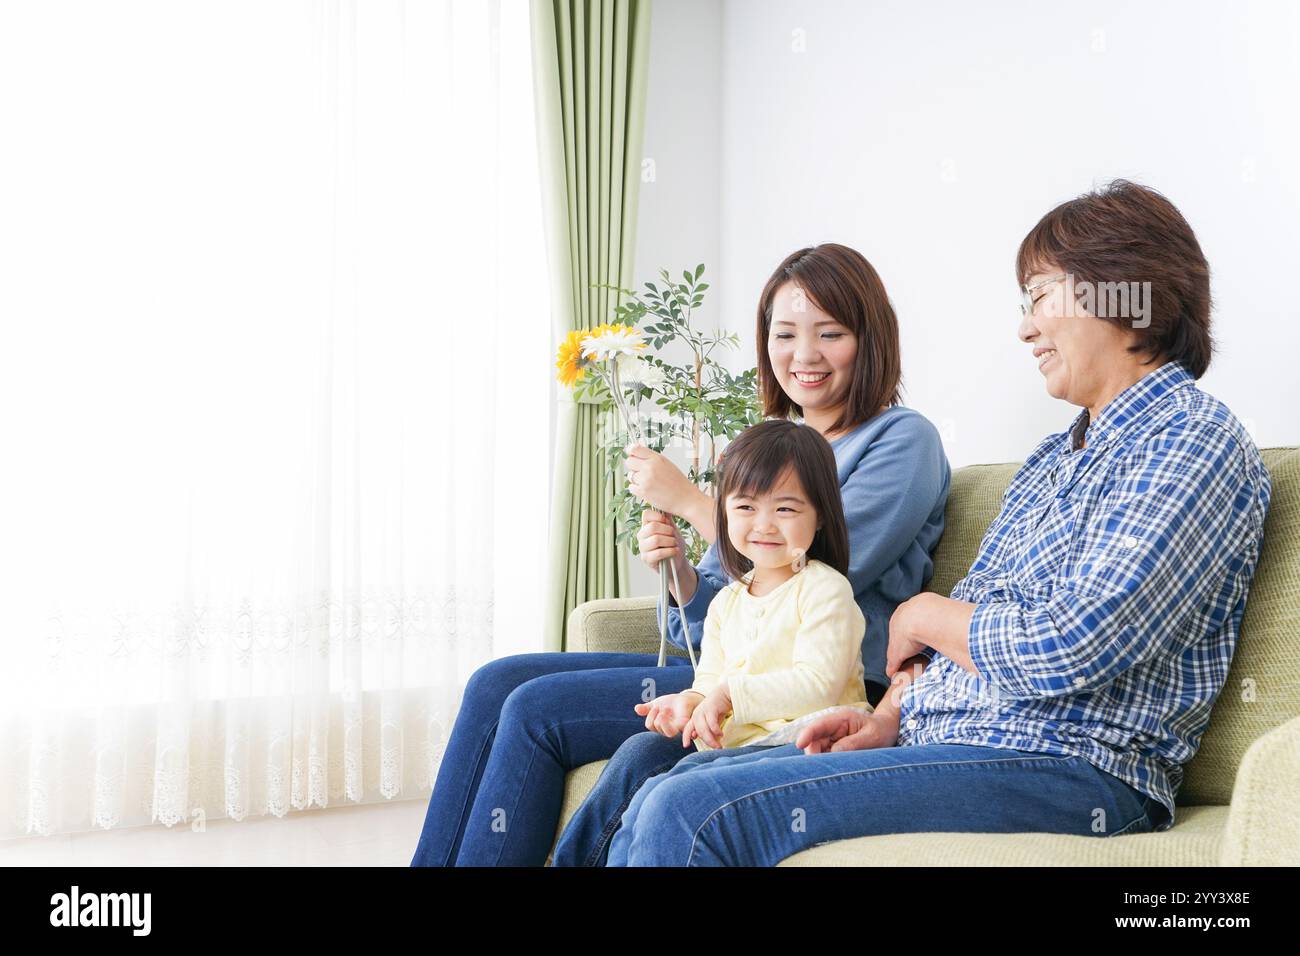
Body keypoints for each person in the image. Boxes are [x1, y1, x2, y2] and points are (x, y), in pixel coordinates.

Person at [604, 180, 1273, 867]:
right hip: (958, 740)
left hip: (1071, 766)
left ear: (1122, 294)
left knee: (698, 812)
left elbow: (1074, 644)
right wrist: (886, 715)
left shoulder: (1189, 441)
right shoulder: (1052, 458)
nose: (1025, 327)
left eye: (1040, 297)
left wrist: (924, 613)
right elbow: (952, 633)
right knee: (672, 779)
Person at [409, 243, 950, 866]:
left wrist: (701, 506)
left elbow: (819, 562)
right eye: (785, 333)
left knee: (537, 708)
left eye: (830, 333)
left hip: (814, 685)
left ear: (871, 338)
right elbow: (715, 616)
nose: (804, 355)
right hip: (724, 673)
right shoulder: (777, 445)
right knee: (497, 681)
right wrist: (684, 573)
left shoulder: (903, 439)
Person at [552, 419, 874, 866]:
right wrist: (689, 701)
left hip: (809, 739)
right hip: (748, 741)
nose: (764, 525)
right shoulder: (728, 599)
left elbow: (817, 684)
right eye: (745, 507)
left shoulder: (825, 589)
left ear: (820, 516)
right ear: (723, 511)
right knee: (643, 778)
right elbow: (710, 679)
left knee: (666, 789)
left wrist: (726, 696)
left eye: (785, 509)